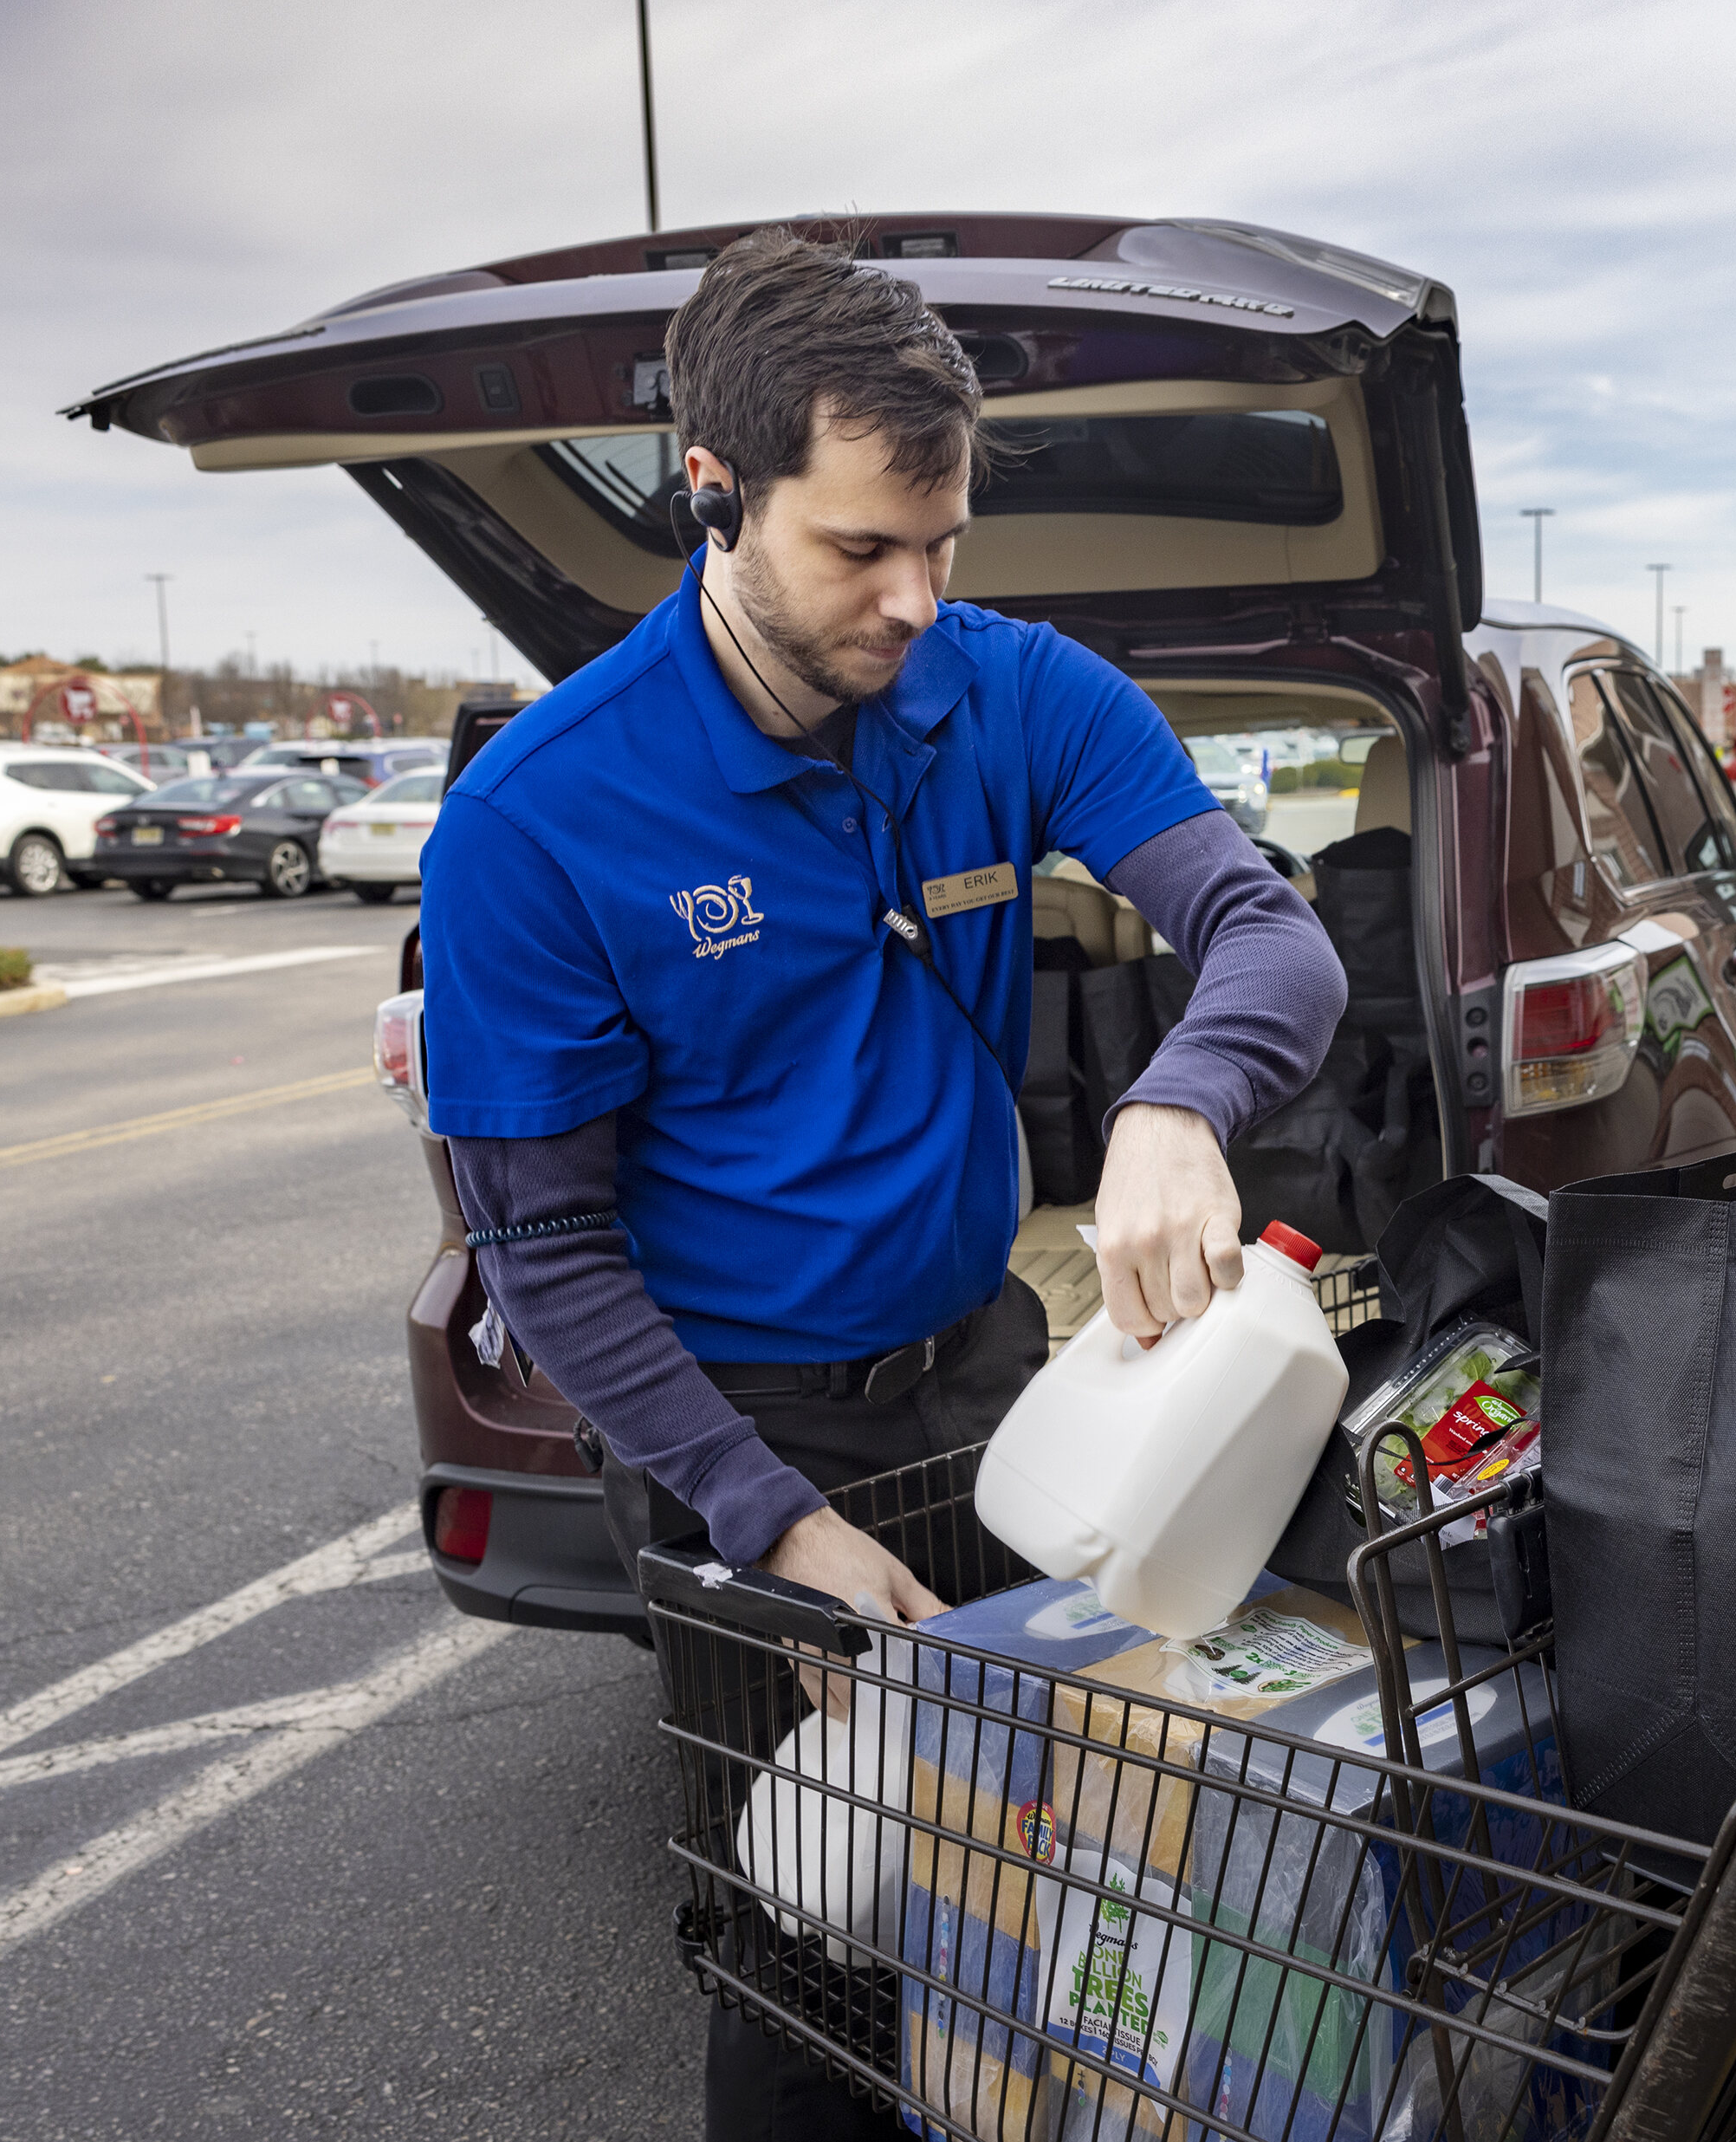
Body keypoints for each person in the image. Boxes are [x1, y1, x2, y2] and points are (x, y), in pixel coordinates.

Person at [421, 228, 1344, 2139]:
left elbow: (1272, 938)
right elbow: (547, 1247)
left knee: (1047, 1859)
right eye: (862, 549)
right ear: (715, 491)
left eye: (948, 542)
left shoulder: (1012, 692)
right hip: (733, 1418)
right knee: (813, 1928)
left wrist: (1183, 1099)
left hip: (994, 1374)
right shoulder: (544, 817)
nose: (919, 598)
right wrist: (771, 1523)